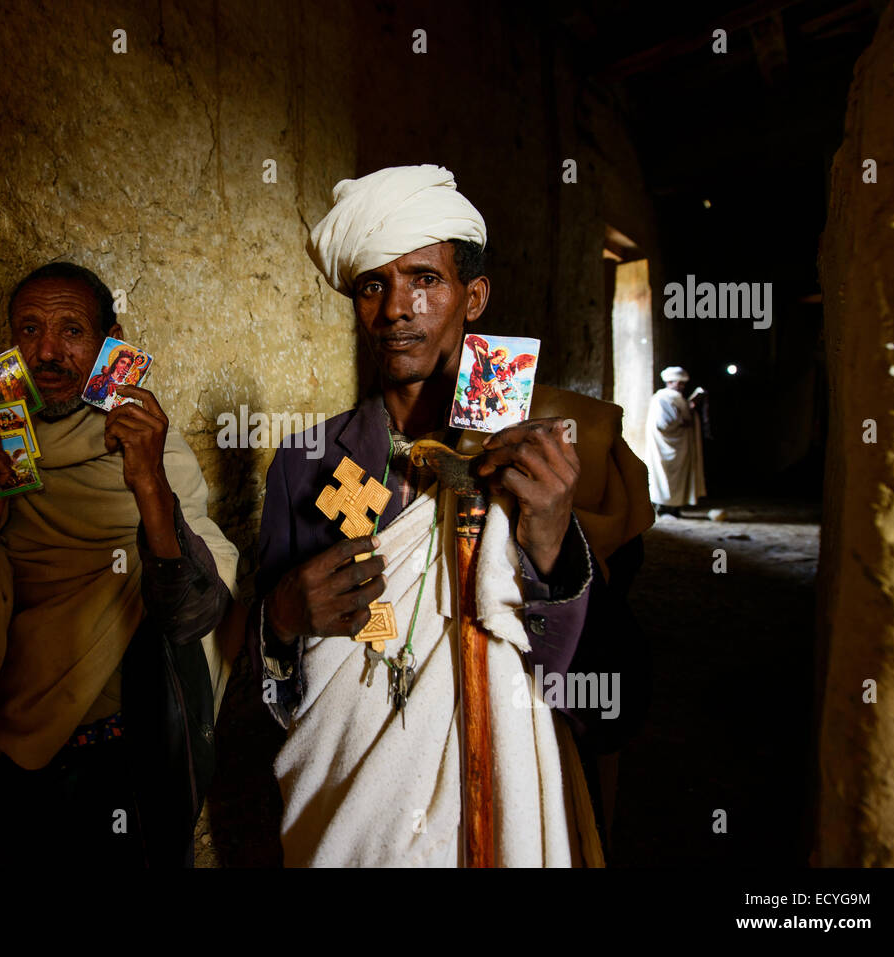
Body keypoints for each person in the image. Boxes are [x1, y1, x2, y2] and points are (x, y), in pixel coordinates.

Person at [253, 165, 654, 867]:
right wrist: (283, 618)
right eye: (373, 285)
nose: (396, 309)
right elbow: (276, 692)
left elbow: (613, 703)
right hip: (352, 825)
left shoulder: (541, 461)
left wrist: (554, 546)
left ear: (474, 297)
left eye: (424, 280)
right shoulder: (308, 461)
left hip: (499, 816)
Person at [0, 261, 238, 867]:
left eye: (72, 331)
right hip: (18, 769)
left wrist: (147, 485)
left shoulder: (154, 450)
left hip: (139, 760)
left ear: (112, 345)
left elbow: (194, 613)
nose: (48, 352)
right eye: (29, 331)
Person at [643, 366, 707, 517]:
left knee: (679, 478)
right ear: (669, 382)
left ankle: (675, 508)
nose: (681, 387)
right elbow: (663, 424)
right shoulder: (662, 398)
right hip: (667, 445)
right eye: (678, 383)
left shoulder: (678, 398)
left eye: (682, 384)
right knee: (664, 476)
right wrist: (682, 421)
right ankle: (664, 507)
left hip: (681, 447)